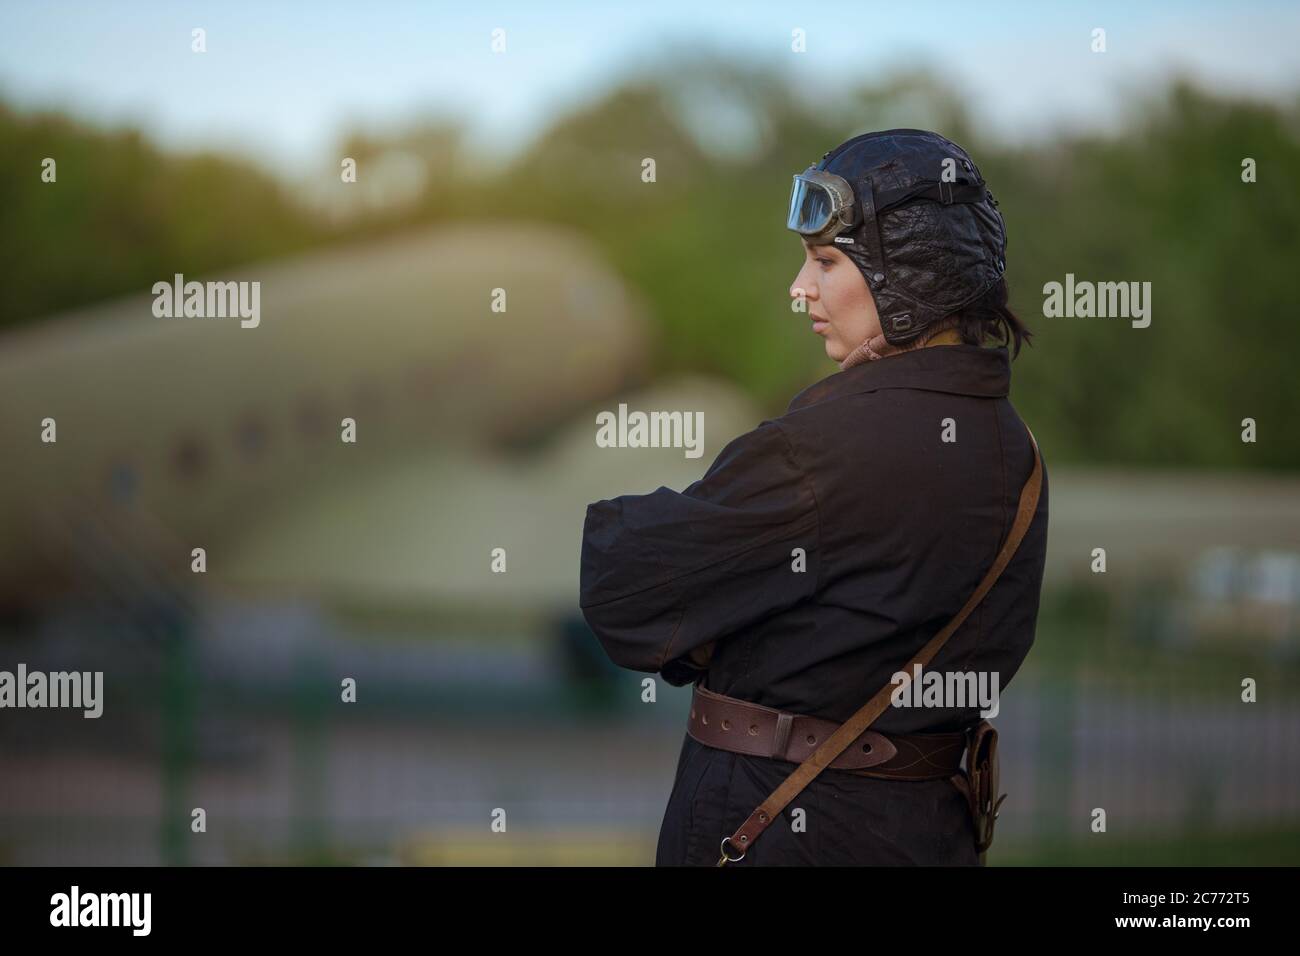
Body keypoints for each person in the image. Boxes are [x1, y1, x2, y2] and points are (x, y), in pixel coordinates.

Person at [579, 129, 1048, 865]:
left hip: (788, 832)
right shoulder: (1016, 452)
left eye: (827, 261)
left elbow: (625, 587)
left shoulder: (826, 446)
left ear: (911, 277)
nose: (800, 289)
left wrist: (720, 624)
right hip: (931, 835)